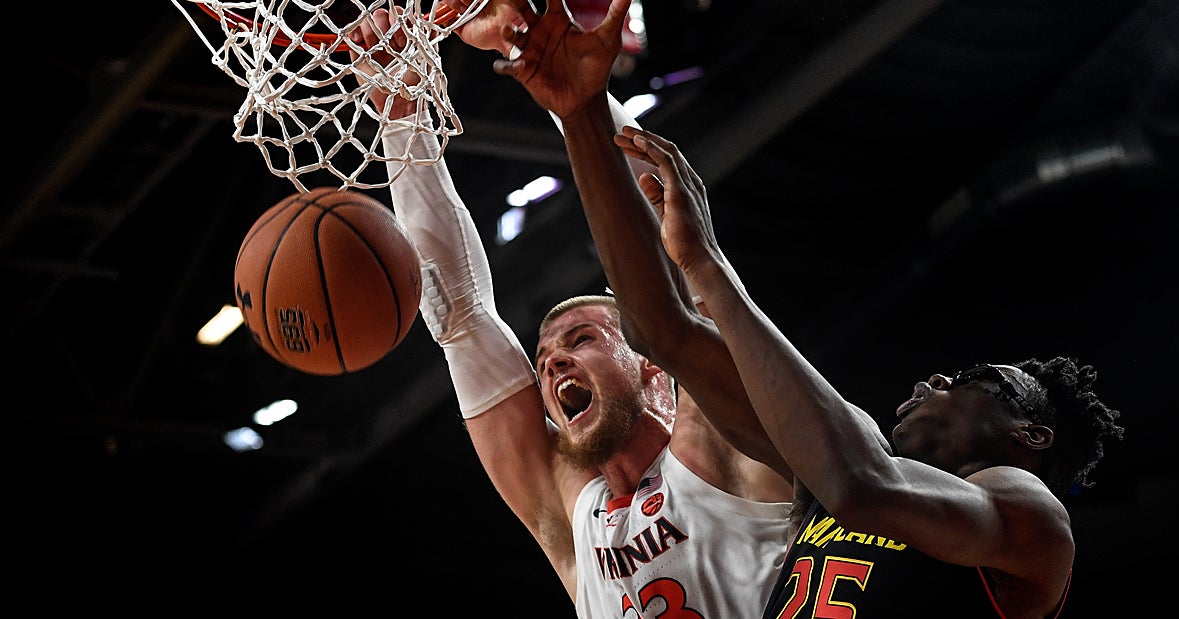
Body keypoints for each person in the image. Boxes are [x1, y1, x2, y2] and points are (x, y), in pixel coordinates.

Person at [490, 1, 1125, 617]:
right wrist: (580, 117)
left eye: (968, 382)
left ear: (1030, 436)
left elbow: (861, 483)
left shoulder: (1028, 517)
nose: (933, 380)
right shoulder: (830, 465)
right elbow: (662, 333)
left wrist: (712, 269)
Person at [346, 6, 794, 618]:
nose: (552, 361)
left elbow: (675, 242)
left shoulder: (724, 445)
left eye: (581, 338)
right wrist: (400, 119)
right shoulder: (569, 510)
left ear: (651, 367)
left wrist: (575, 99)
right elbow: (460, 317)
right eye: (545, 355)